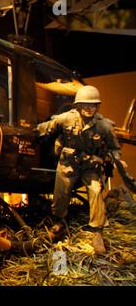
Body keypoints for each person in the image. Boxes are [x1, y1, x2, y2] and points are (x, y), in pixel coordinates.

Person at [36, 85, 127, 254]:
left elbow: (114, 147)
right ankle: (59, 222)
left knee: (96, 190)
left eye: (92, 105)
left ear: (97, 107)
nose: (88, 108)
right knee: (61, 193)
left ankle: (97, 232)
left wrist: (116, 159)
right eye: (85, 104)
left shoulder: (103, 125)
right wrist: (31, 133)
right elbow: (46, 127)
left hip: (90, 166)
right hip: (68, 163)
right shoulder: (66, 118)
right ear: (77, 105)